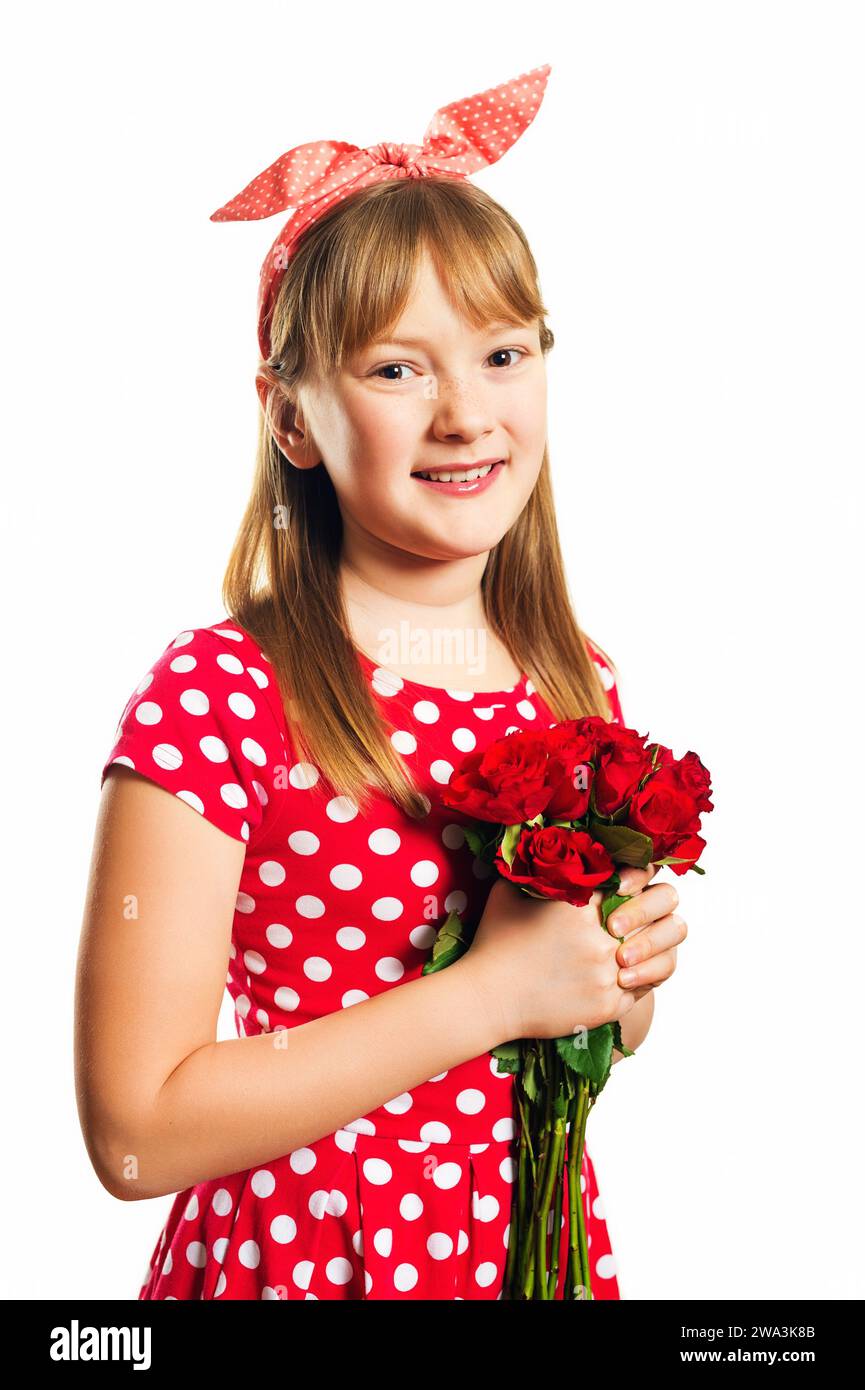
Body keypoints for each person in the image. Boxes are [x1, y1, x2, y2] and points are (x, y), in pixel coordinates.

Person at [75, 64, 687, 1301]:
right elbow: (134, 1131)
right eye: (396, 370)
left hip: (521, 1257)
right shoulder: (221, 695)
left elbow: (578, 1037)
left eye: (502, 353)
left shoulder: (578, 682)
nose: (466, 412)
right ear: (292, 419)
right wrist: (490, 991)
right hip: (303, 1264)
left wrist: (618, 982)